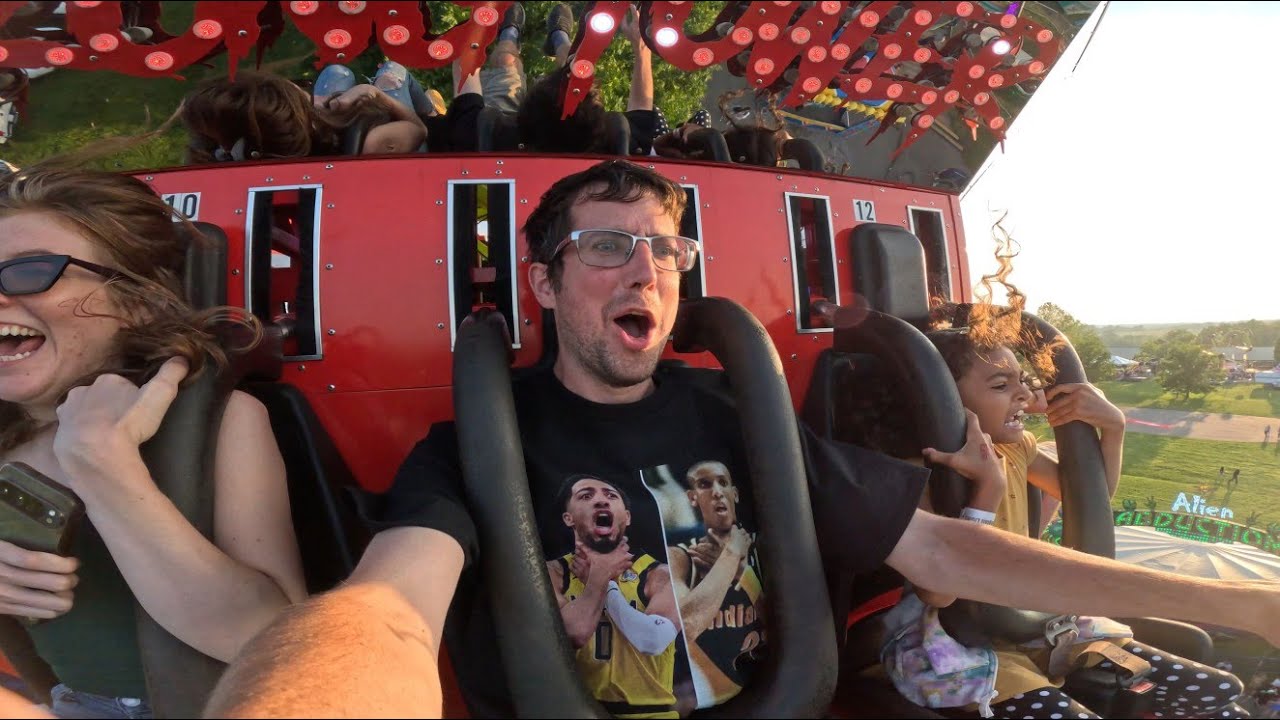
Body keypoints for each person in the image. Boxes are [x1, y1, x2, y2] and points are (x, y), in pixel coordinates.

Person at [205, 160, 1280, 718]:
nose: (645, 272)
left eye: (666, 252)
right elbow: (388, 612)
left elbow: (943, 549)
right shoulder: (476, 443)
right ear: (541, 281)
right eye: (608, 248)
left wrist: (1243, 607)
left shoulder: (735, 420)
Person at [0, 165, 307, 718]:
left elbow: (273, 644)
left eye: (30, 272)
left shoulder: (218, 424)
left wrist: (104, 470)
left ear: (138, 301)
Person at [548, 475, 681, 717]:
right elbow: (575, 632)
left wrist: (605, 586)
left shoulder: (659, 575)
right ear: (568, 517)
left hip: (650, 714)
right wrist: (599, 576)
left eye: (610, 495)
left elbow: (653, 640)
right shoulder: (553, 574)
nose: (601, 501)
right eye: (586, 496)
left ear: (627, 517)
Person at [667, 461, 763, 707]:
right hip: (698, 696)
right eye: (705, 485)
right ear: (692, 498)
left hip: (768, 688)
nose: (717, 492)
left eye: (723, 483)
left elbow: (794, 625)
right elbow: (684, 627)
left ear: (735, 493)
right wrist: (730, 556)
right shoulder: (680, 556)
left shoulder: (767, 541)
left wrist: (741, 571)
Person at [517, 4, 663, 156]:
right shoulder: (618, 142)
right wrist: (641, 49)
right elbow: (641, 109)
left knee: (506, 61)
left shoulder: (502, 136)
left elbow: (640, 107)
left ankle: (510, 34)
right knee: (573, 67)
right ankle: (560, 37)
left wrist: (642, 48)